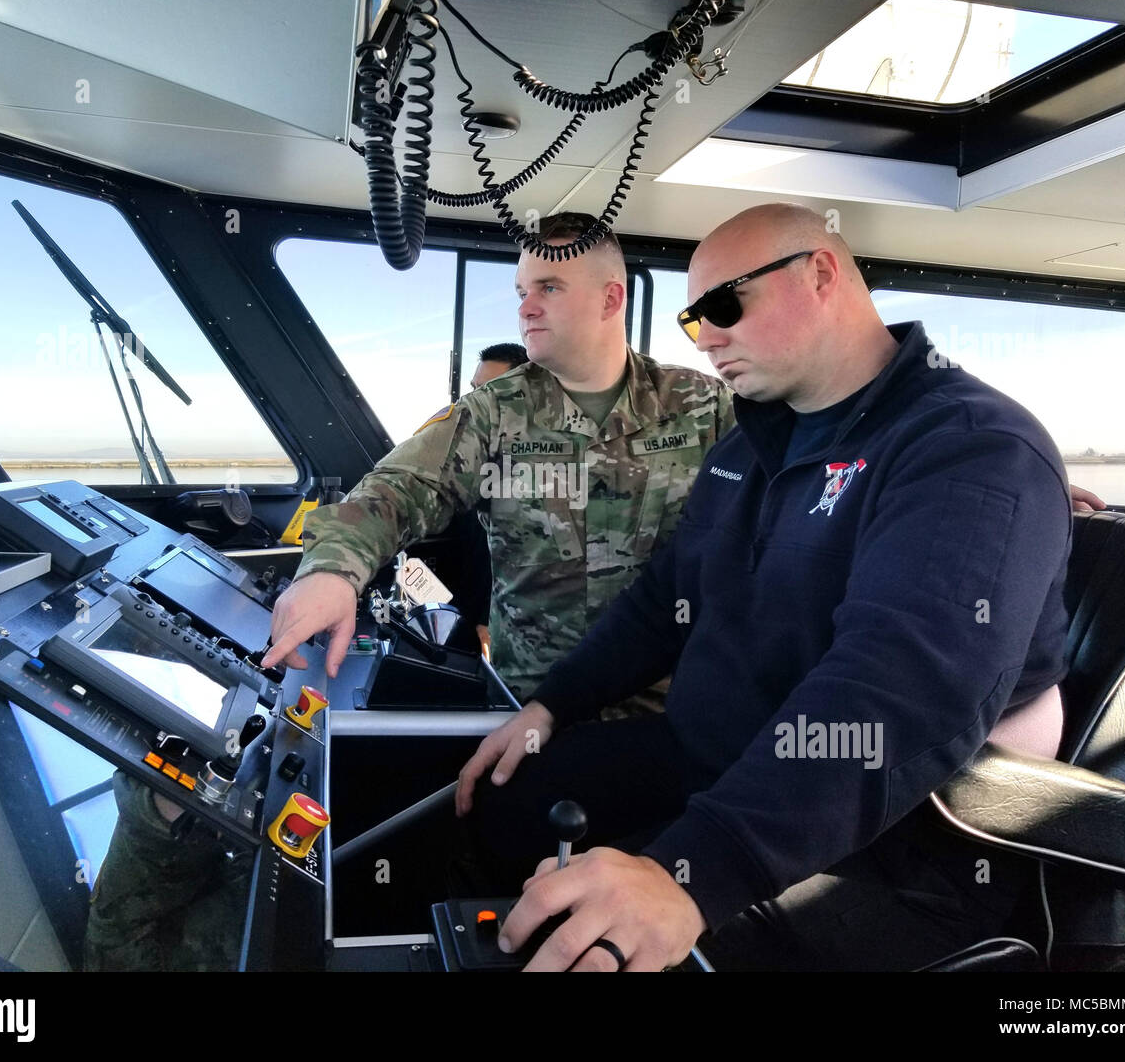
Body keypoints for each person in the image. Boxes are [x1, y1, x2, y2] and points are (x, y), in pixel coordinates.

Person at [455, 202, 1074, 972]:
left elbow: (898, 685)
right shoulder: (751, 444)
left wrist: (696, 873)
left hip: (881, 843)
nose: (707, 335)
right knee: (503, 803)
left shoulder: (970, 448)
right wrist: (552, 704)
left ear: (821, 274)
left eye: (725, 304)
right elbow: (662, 600)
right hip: (707, 751)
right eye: (693, 320)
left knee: (591, 940)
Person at [261, 213, 734, 716]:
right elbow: (396, 491)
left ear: (611, 298)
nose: (526, 308)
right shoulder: (492, 413)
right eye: (520, 292)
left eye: (548, 288)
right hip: (529, 708)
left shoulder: (703, 405)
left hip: (674, 704)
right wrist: (331, 572)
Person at [454, 341, 530, 655]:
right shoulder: (475, 451)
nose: (473, 402)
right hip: (468, 610)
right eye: (473, 389)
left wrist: (484, 620)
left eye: (487, 391)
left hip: (506, 625)